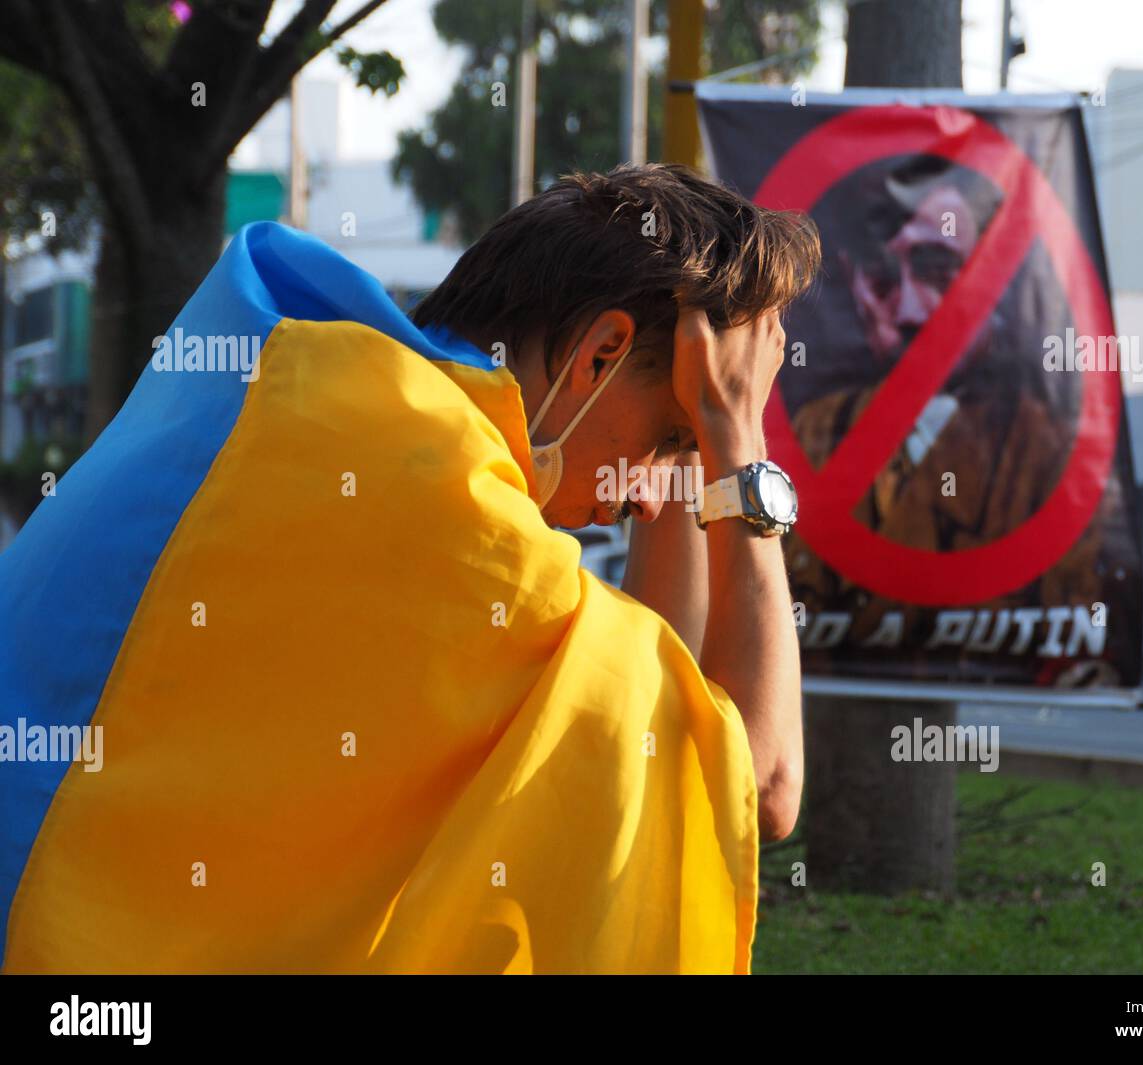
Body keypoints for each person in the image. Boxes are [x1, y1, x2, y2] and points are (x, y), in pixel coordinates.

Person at [0, 163, 820, 974]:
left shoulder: (314, 372)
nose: (651, 489)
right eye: (670, 441)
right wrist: (736, 441)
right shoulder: (451, 506)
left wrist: (687, 429)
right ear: (599, 355)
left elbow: (656, 734)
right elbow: (761, 780)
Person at [786, 155, 1107, 681]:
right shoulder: (815, 432)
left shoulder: (1048, 458)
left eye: (937, 273)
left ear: (996, 280)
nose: (910, 309)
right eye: (884, 280)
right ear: (854, 284)